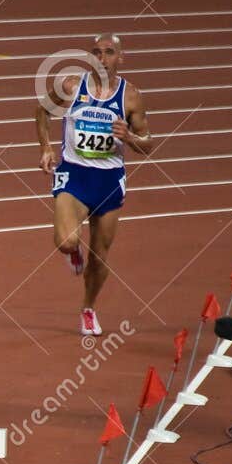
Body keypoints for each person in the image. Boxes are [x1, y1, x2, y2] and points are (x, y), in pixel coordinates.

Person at [34, 33, 152, 337]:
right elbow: (42, 111)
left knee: (100, 257)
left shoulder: (131, 96)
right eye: (96, 52)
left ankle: (88, 309)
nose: (101, 58)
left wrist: (129, 138)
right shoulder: (72, 86)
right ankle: (74, 252)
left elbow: (148, 144)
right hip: (74, 174)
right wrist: (46, 147)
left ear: (120, 58)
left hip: (109, 180)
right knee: (67, 241)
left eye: (109, 52)